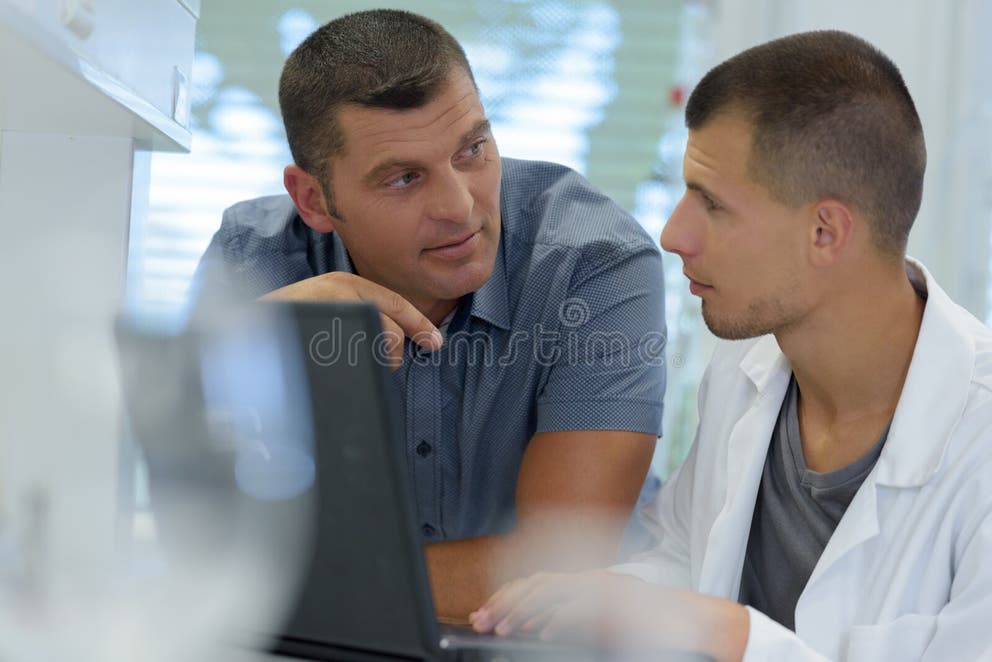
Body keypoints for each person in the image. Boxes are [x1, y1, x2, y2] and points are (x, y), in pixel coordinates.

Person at [469, 29, 992, 661]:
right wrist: (600, 598)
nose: (672, 234)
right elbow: (682, 558)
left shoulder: (978, 445)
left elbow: (707, 619)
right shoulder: (745, 369)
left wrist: (728, 632)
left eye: (712, 203)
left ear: (825, 232)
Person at [192, 9, 666, 620]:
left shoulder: (595, 262)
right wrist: (249, 352)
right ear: (313, 199)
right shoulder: (253, 260)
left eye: (472, 150)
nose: (459, 207)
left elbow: (556, 564)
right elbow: (198, 525)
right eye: (403, 179)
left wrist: (285, 587)